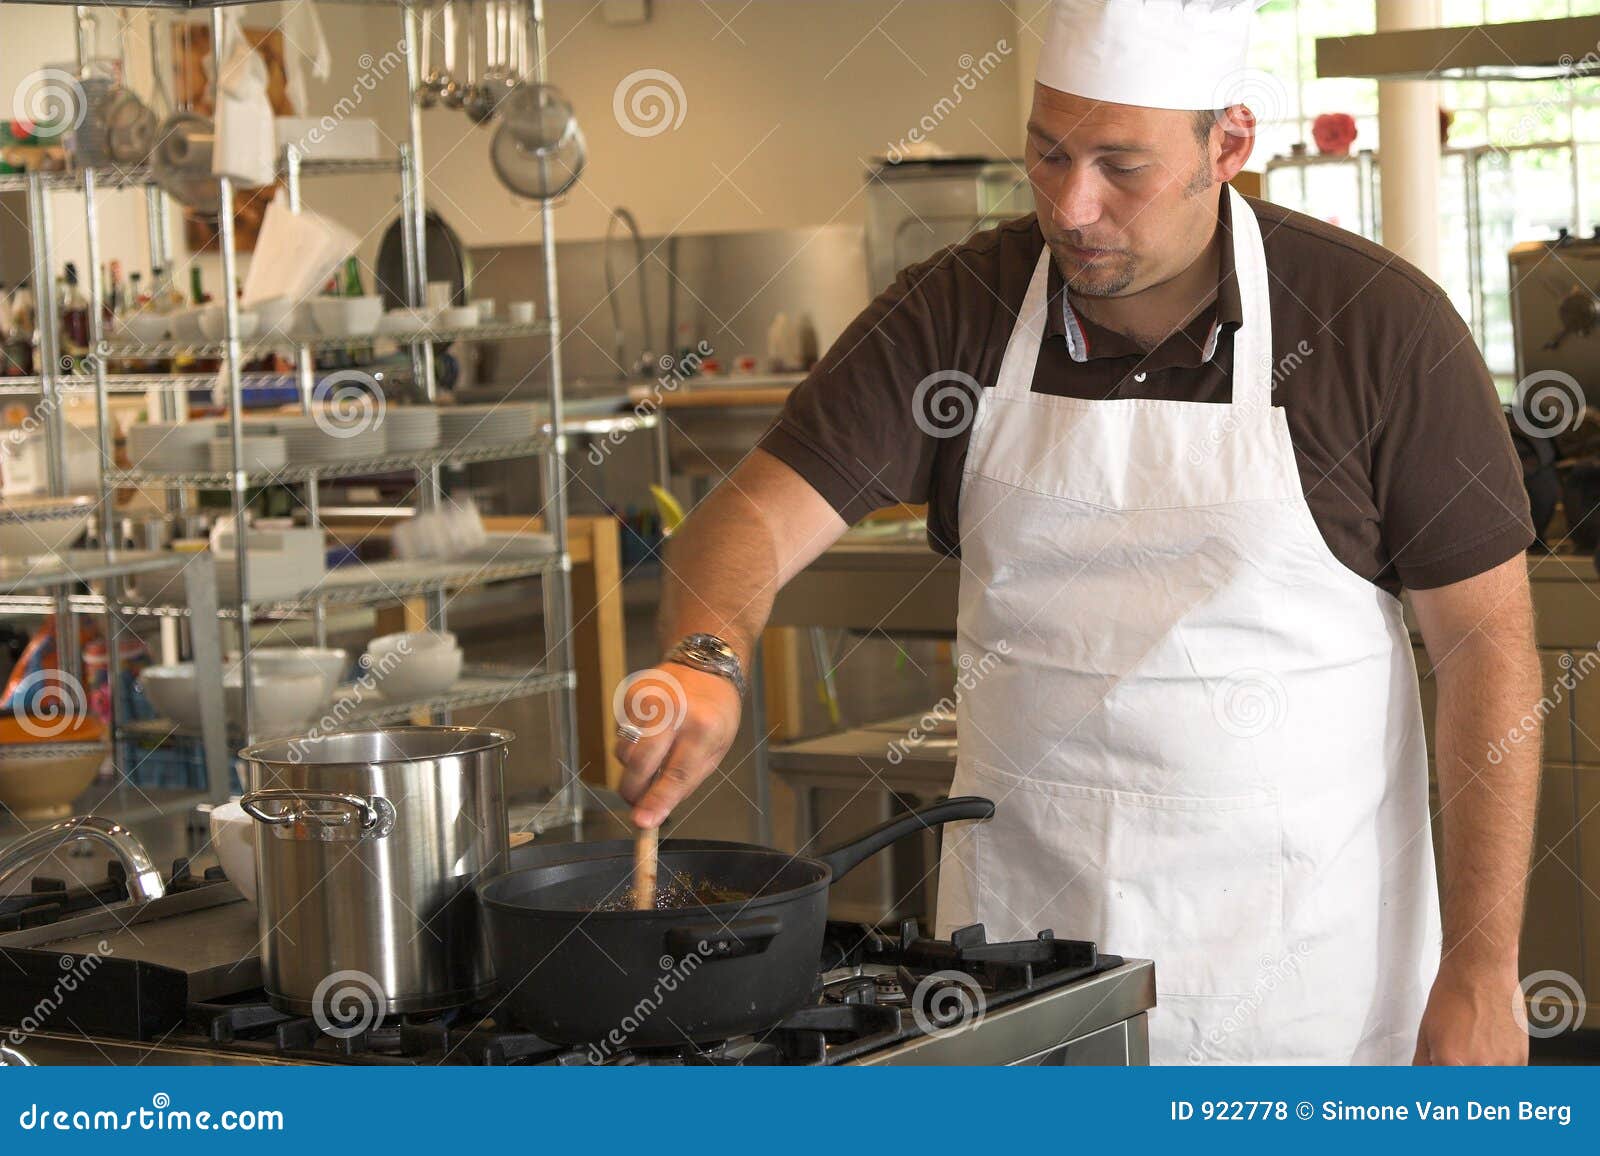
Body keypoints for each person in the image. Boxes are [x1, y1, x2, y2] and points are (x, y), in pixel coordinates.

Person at [614, 0, 1540, 1064]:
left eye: (1120, 165)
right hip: (1025, 972)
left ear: (1226, 146)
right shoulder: (956, 311)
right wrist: (704, 657)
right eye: (1047, 154)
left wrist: (1478, 967)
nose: (1072, 204)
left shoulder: (1378, 329)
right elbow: (749, 521)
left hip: (1300, 982)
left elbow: (1484, 646)